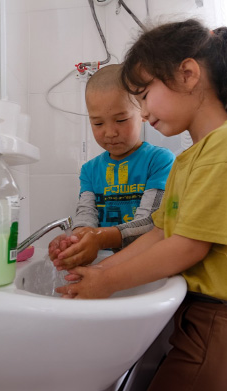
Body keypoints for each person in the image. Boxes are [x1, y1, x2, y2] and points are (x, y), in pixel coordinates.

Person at [56, 18, 227, 391]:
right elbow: (160, 233)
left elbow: (188, 247)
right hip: (203, 318)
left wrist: (105, 283)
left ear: (188, 74)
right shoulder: (190, 159)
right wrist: (101, 273)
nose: (142, 111)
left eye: (144, 95)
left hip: (222, 323)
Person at [49, 64, 175, 270]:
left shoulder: (160, 160)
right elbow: (86, 215)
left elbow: (151, 223)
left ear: (143, 114)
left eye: (121, 120)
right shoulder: (89, 169)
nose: (109, 132)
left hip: (145, 263)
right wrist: (75, 239)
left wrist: (98, 238)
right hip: (103, 261)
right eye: (98, 123)